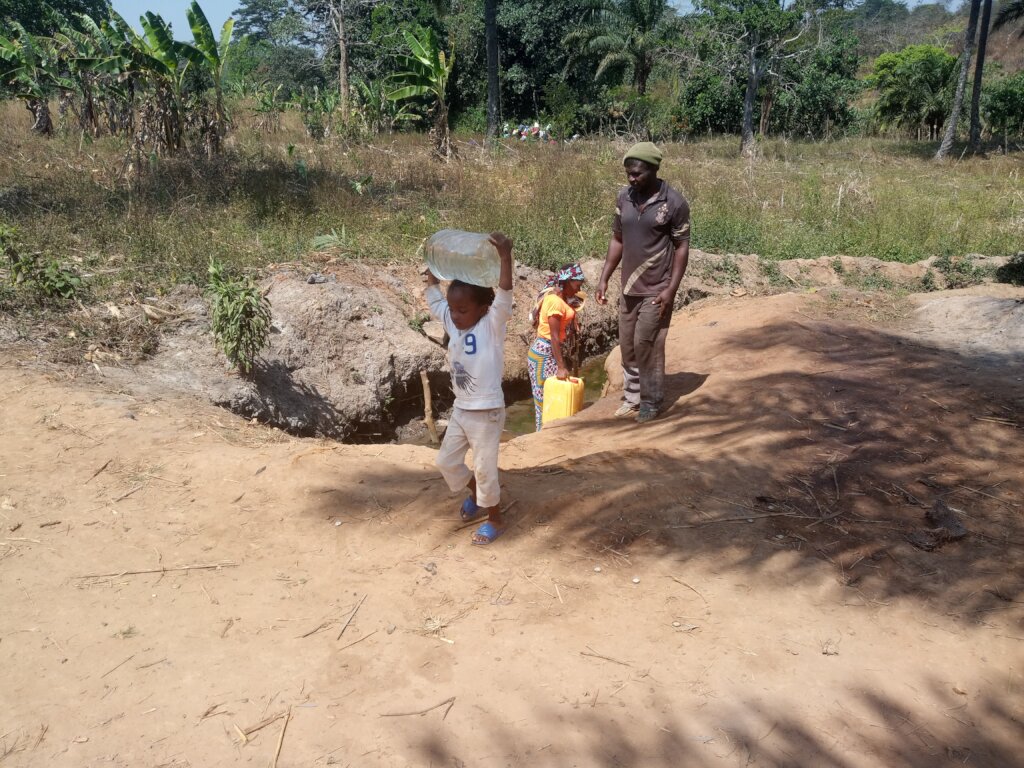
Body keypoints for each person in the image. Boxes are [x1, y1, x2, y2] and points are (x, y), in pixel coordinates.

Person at [424, 233, 515, 545]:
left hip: (487, 411)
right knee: (447, 462)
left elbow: (504, 291)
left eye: (463, 310)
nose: (456, 316)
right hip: (462, 409)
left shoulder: (492, 324)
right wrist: (432, 278)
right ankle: (477, 496)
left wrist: (505, 256)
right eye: (454, 309)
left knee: (485, 468)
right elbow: (436, 302)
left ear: (482, 308)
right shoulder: (451, 320)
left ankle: (496, 519)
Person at [596, 142, 690, 424]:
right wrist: (604, 278)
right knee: (627, 345)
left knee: (646, 342)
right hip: (629, 288)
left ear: (653, 169)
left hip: (657, 288)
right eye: (628, 173)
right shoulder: (624, 197)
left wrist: (670, 290)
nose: (631, 178)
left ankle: (651, 401)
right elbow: (617, 239)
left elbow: (682, 247)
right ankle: (632, 397)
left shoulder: (673, 203)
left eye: (637, 173)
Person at [526, 264, 585, 432]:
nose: (579, 288)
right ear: (567, 281)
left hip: (547, 352)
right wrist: (561, 366)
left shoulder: (561, 299)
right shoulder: (554, 302)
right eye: (578, 284)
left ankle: (548, 432)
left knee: (552, 397)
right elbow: (553, 336)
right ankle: (539, 438)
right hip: (542, 354)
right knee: (543, 401)